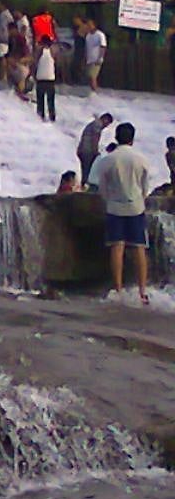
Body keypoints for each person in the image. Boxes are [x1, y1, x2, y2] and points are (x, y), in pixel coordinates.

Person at [88, 123, 150, 304]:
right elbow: (145, 186)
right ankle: (142, 291)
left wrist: (110, 200)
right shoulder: (141, 159)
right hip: (136, 207)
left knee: (117, 247)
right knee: (139, 247)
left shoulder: (108, 159)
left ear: (116, 137)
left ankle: (118, 288)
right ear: (132, 138)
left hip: (115, 207)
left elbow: (102, 186)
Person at [77, 113, 114, 186]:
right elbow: (95, 138)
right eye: (107, 123)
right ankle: (85, 188)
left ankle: (84, 185)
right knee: (87, 172)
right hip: (87, 151)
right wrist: (95, 151)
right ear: (105, 119)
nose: (106, 126)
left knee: (85, 171)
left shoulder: (93, 124)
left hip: (82, 150)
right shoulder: (97, 124)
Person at [35, 36, 57, 122]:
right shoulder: (53, 51)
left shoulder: (39, 51)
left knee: (40, 101)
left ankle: (40, 118)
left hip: (40, 78)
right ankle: (52, 117)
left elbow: (35, 63)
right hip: (50, 78)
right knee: (51, 101)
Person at [84, 19, 108, 91]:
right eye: (87, 25)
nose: (88, 26)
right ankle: (93, 91)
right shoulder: (88, 36)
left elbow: (103, 47)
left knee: (93, 77)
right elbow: (87, 48)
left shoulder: (100, 35)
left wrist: (100, 58)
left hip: (97, 60)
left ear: (94, 25)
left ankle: (95, 93)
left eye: (90, 25)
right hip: (89, 60)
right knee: (90, 78)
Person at [0, 1, 14, 81]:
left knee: (2, 57)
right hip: (5, 39)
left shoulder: (4, 15)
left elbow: (2, 28)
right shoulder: (8, 15)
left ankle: (4, 76)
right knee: (2, 57)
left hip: (3, 39)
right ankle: (3, 75)